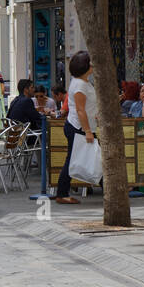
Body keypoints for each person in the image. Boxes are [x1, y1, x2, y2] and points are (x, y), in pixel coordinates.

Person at [55, 49, 98, 205]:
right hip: (79, 128)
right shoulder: (80, 84)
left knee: (88, 158)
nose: (93, 65)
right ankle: (62, 193)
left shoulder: (83, 82)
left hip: (82, 127)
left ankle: (107, 186)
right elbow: (80, 110)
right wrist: (87, 131)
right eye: (90, 63)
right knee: (73, 160)